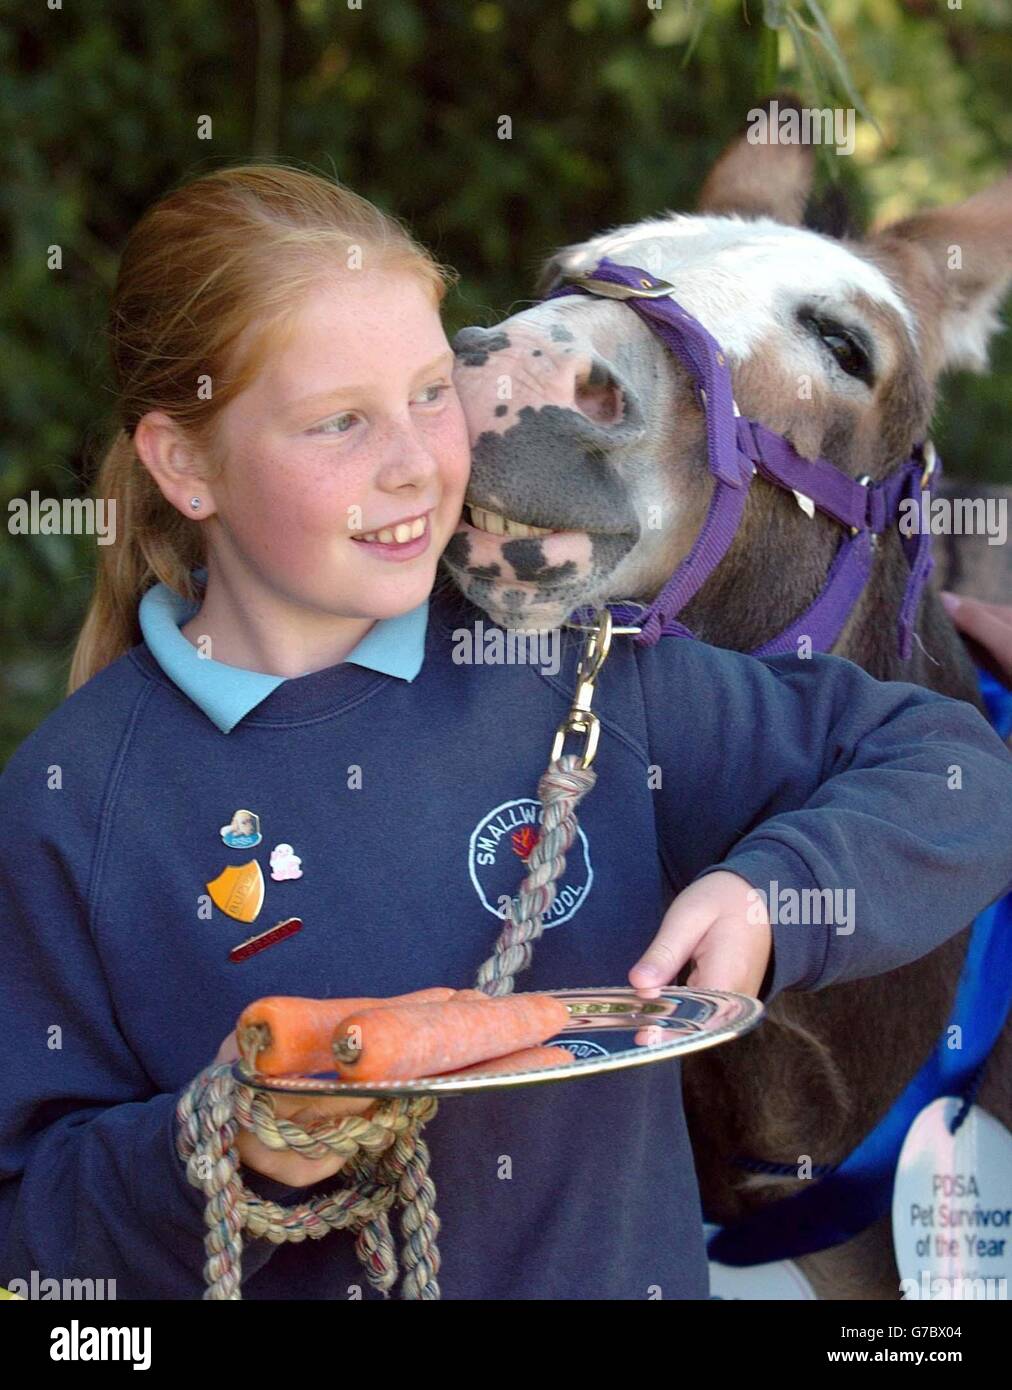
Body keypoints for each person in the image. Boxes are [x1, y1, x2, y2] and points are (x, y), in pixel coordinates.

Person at [1, 163, 1010, 1302]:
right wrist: (222, 1150)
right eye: (338, 421)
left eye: (436, 393)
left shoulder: (587, 681)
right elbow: (28, 1223)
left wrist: (782, 895)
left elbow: (961, 774)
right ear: (184, 465)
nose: (416, 464)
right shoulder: (71, 803)